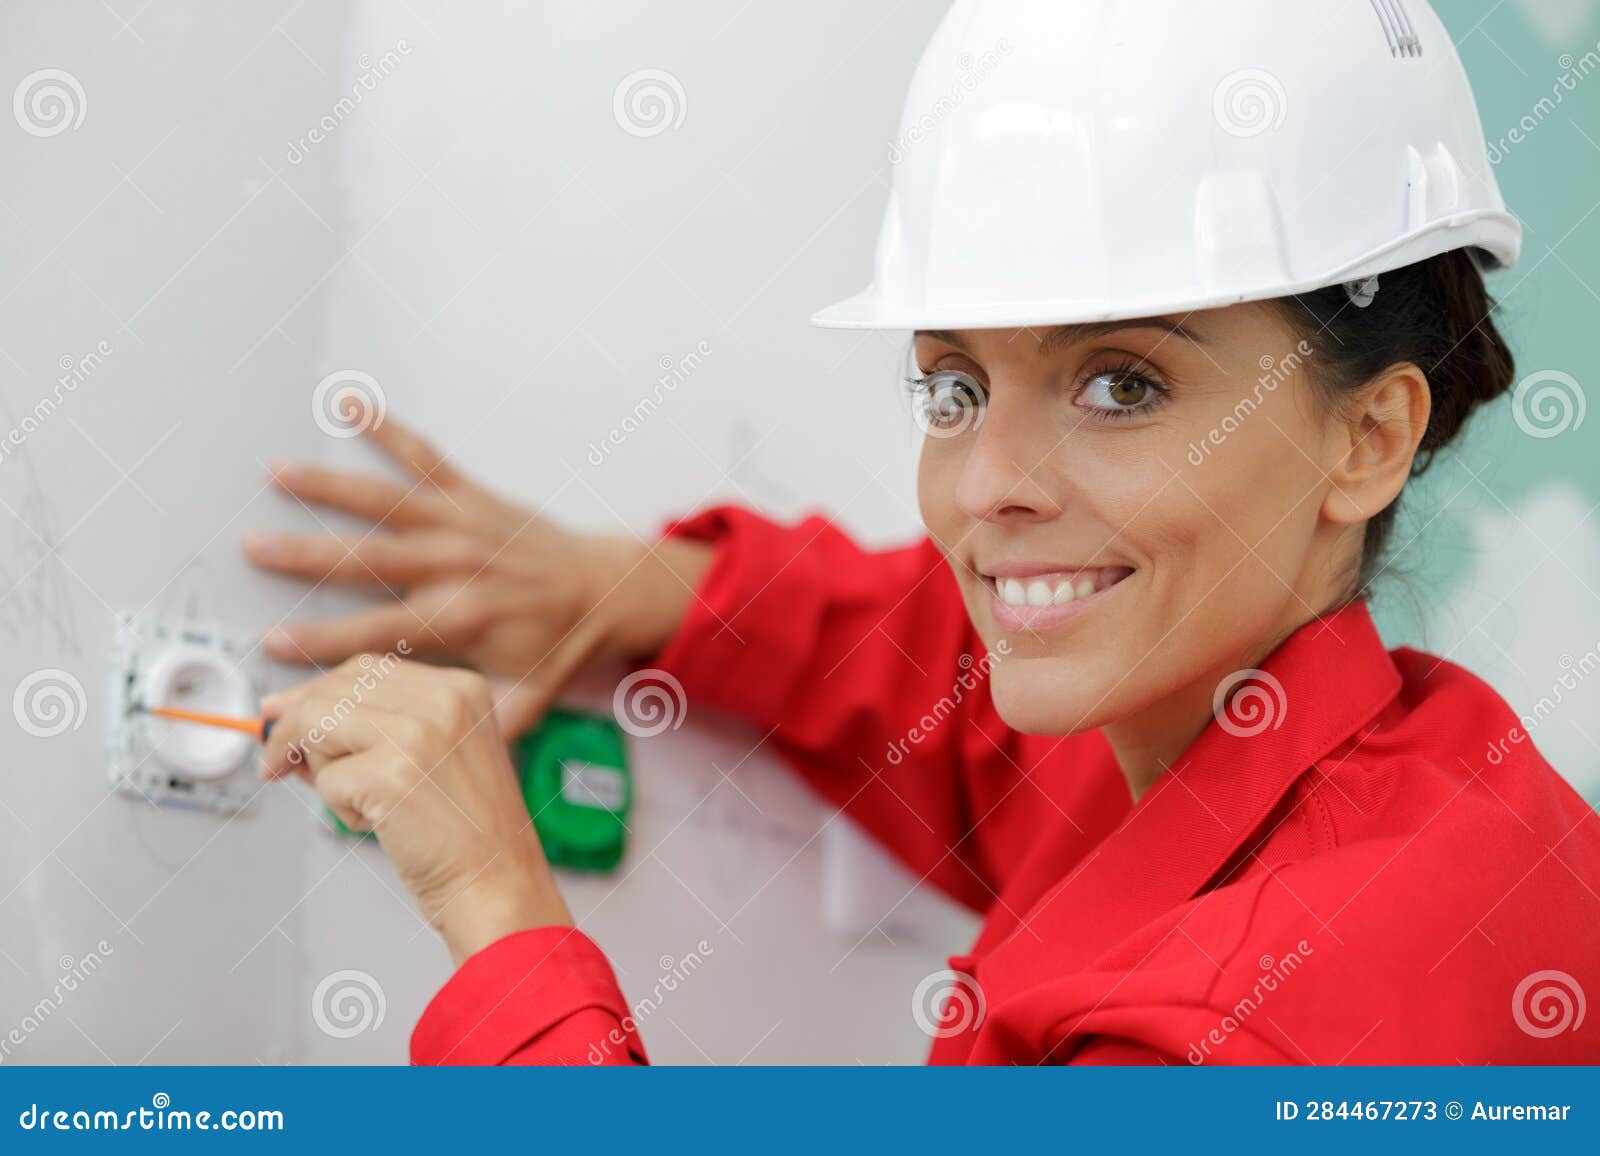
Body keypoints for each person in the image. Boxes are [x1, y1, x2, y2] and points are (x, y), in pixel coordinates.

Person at [244, 0, 1600, 1064]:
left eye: (1123, 384)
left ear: (1368, 436)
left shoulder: (1263, 1034)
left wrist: (494, 906)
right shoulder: (1339, 757)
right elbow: (965, 717)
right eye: (953, 387)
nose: (982, 486)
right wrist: (633, 592)